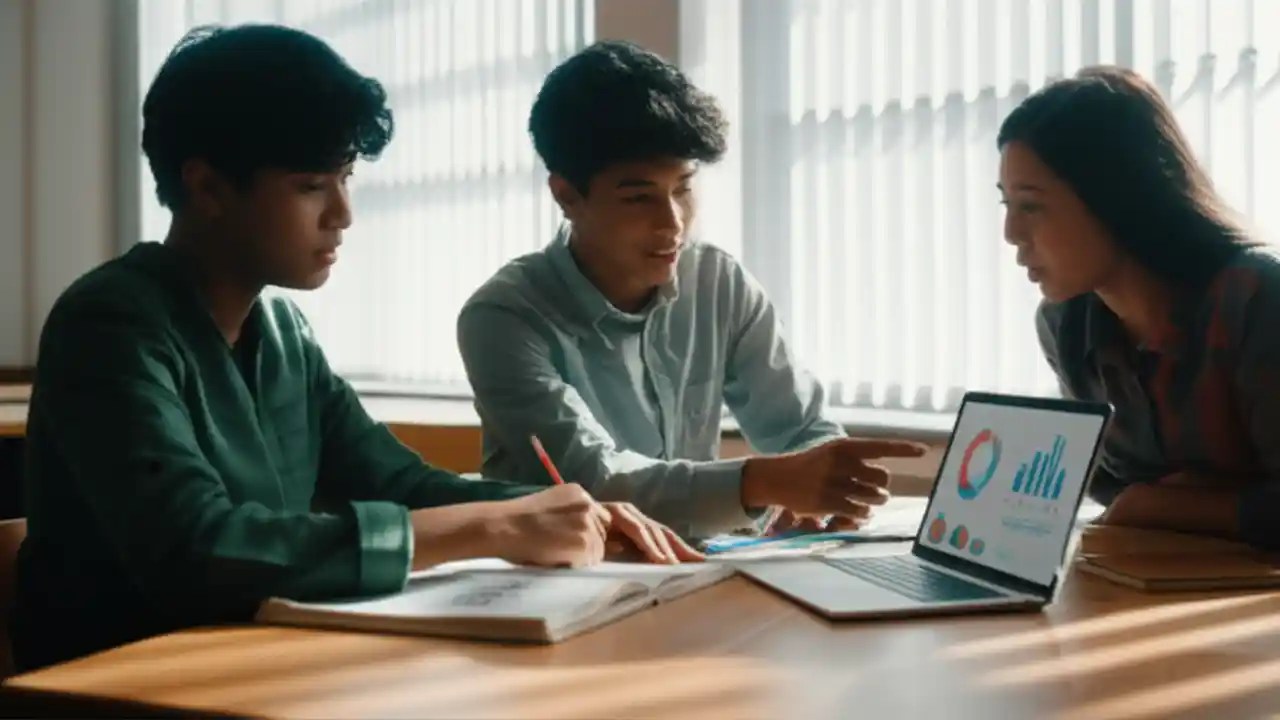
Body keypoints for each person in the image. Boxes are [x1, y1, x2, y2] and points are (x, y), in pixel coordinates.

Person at [14, 25, 695, 673]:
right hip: (120, 686)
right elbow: (199, 552)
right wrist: (495, 527)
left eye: (346, 178)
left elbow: (398, 483)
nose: (342, 213)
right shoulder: (108, 325)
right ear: (207, 186)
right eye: (311, 185)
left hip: (261, 663)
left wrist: (564, 508)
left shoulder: (283, 334)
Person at [457, 41, 924, 540]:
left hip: (697, 569)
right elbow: (593, 479)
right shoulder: (502, 317)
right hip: (558, 580)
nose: (672, 223)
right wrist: (762, 482)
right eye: (639, 198)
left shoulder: (718, 284)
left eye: (683, 187)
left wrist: (833, 491)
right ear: (566, 195)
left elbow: (801, 429)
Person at [998, 65, 1280, 550]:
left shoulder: (1255, 300)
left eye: (1031, 206)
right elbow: (1112, 489)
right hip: (1158, 587)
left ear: (1115, 196)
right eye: (1006, 205)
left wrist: (1163, 505)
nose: (1010, 235)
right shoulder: (1065, 324)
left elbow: (1136, 503)